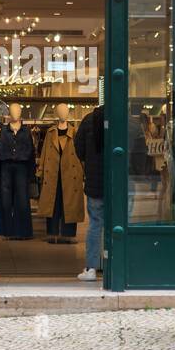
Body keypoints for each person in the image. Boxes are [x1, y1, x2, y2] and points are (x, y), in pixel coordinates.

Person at [75, 104, 104, 281]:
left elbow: (78, 148)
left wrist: (90, 162)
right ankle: (114, 265)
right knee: (116, 224)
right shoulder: (122, 119)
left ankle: (91, 268)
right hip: (117, 181)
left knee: (95, 224)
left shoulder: (88, 120)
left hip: (94, 181)